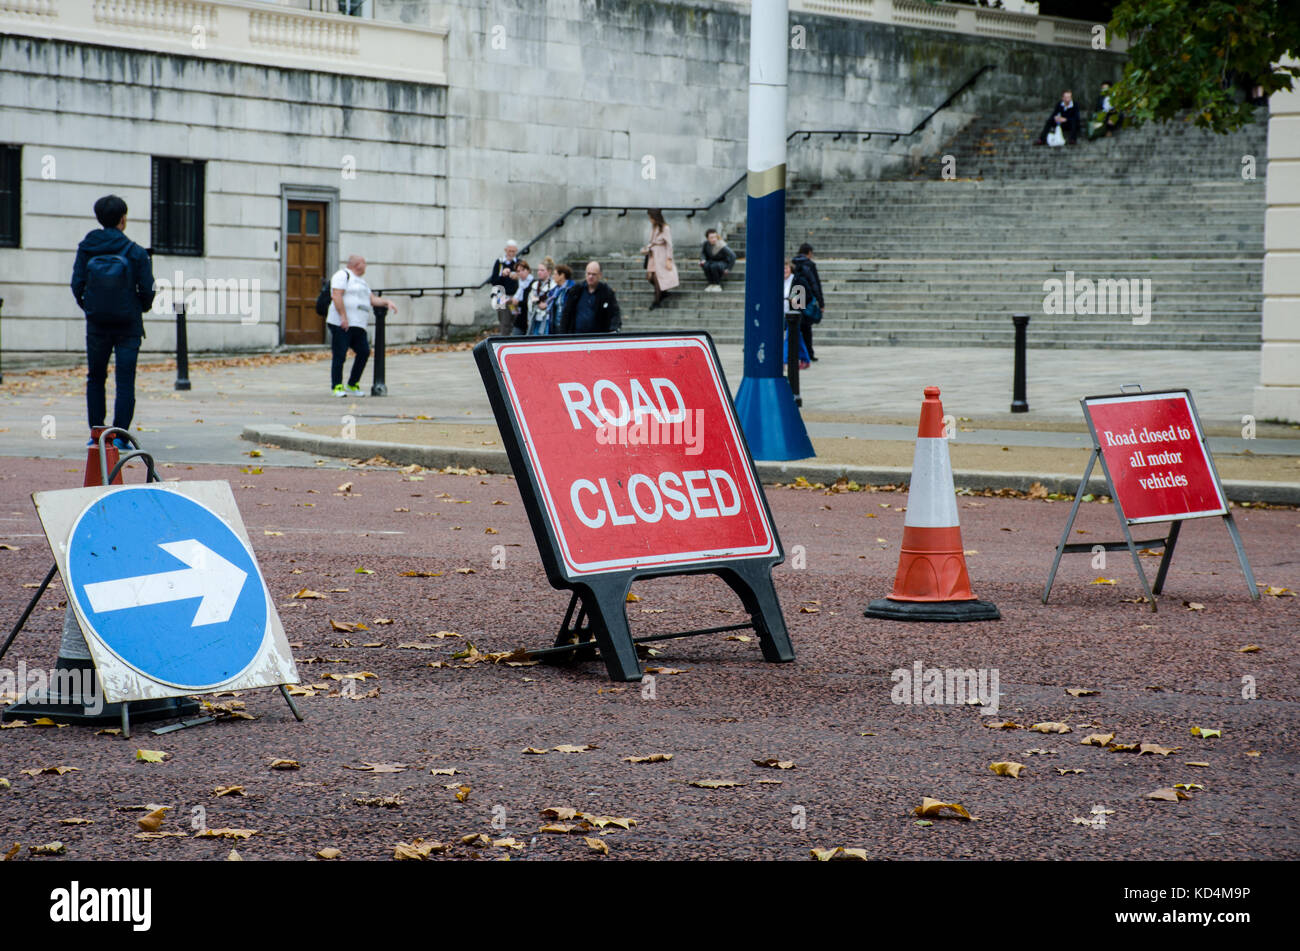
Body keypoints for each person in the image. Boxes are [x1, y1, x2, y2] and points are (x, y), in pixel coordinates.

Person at [71, 195, 156, 447]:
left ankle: (96, 435)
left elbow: (77, 285)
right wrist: (138, 307)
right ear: (123, 219)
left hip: (97, 325)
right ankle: (119, 436)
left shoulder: (86, 248)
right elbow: (149, 289)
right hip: (128, 325)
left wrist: (91, 308)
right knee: (125, 379)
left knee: (96, 377)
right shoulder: (135, 251)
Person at [328, 254, 397, 397]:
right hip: (342, 323)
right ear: (357, 264)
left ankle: (352, 384)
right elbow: (336, 295)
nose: (365, 266)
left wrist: (386, 302)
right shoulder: (342, 275)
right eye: (364, 263)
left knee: (364, 351)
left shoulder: (362, 282)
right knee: (340, 354)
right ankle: (337, 386)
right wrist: (343, 317)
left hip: (358, 324)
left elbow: (371, 299)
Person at [559, 261, 621, 334]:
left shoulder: (606, 292)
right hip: (576, 336)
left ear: (600, 275)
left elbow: (615, 313)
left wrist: (614, 328)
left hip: (598, 338)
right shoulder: (576, 291)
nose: (590, 277)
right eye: (588, 274)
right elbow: (566, 313)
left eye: (594, 274)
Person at [791, 243, 824, 362]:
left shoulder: (793, 263)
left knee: (795, 325)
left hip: (795, 295)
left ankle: (796, 351)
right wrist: (821, 302)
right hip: (807, 297)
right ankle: (808, 352)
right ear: (809, 253)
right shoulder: (810, 265)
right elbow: (815, 284)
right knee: (806, 327)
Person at [640, 208, 679, 309]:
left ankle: (657, 301)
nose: (650, 219)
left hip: (661, 255)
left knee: (658, 277)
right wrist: (647, 248)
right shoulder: (654, 227)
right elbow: (652, 241)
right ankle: (663, 292)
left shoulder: (665, 228)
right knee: (650, 277)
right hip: (653, 255)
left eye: (651, 217)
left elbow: (669, 244)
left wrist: (669, 258)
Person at [488, 240, 520, 335]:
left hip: (514, 296)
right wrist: (502, 275)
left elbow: (524, 278)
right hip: (501, 295)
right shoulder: (500, 262)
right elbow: (494, 281)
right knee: (504, 321)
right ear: (505, 250)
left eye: (513, 251)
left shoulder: (518, 263)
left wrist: (516, 276)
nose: (511, 253)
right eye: (509, 251)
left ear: (516, 251)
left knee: (515, 320)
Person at [783, 259, 810, 369]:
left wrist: (794, 301)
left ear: (790, 268)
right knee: (797, 336)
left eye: (786, 268)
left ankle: (783, 361)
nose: (784, 270)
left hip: (794, 315)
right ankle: (805, 359)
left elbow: (805, 297)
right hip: (782, 314)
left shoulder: (796, 280)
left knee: (789, 337)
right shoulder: (777, 280)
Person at [527, 259, 557, 335]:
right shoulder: (535, 284)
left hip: (546, 319)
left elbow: (553, 301)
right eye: (538, 270)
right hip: (535, 318)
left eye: (542, 270)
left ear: (549, 271)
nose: (539, 272)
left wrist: (546, 305)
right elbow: (530, 301)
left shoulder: (554, 285)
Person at [508, 259, 532, 335]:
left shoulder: (532, 283)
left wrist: (518, 303)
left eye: (523, 270)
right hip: (519, 319)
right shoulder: (517, 284)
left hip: (528, 318)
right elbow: (513, 302)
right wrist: (512, 306)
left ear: (528, 270)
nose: (520, 273)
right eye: (518, 271)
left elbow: (529, 302)